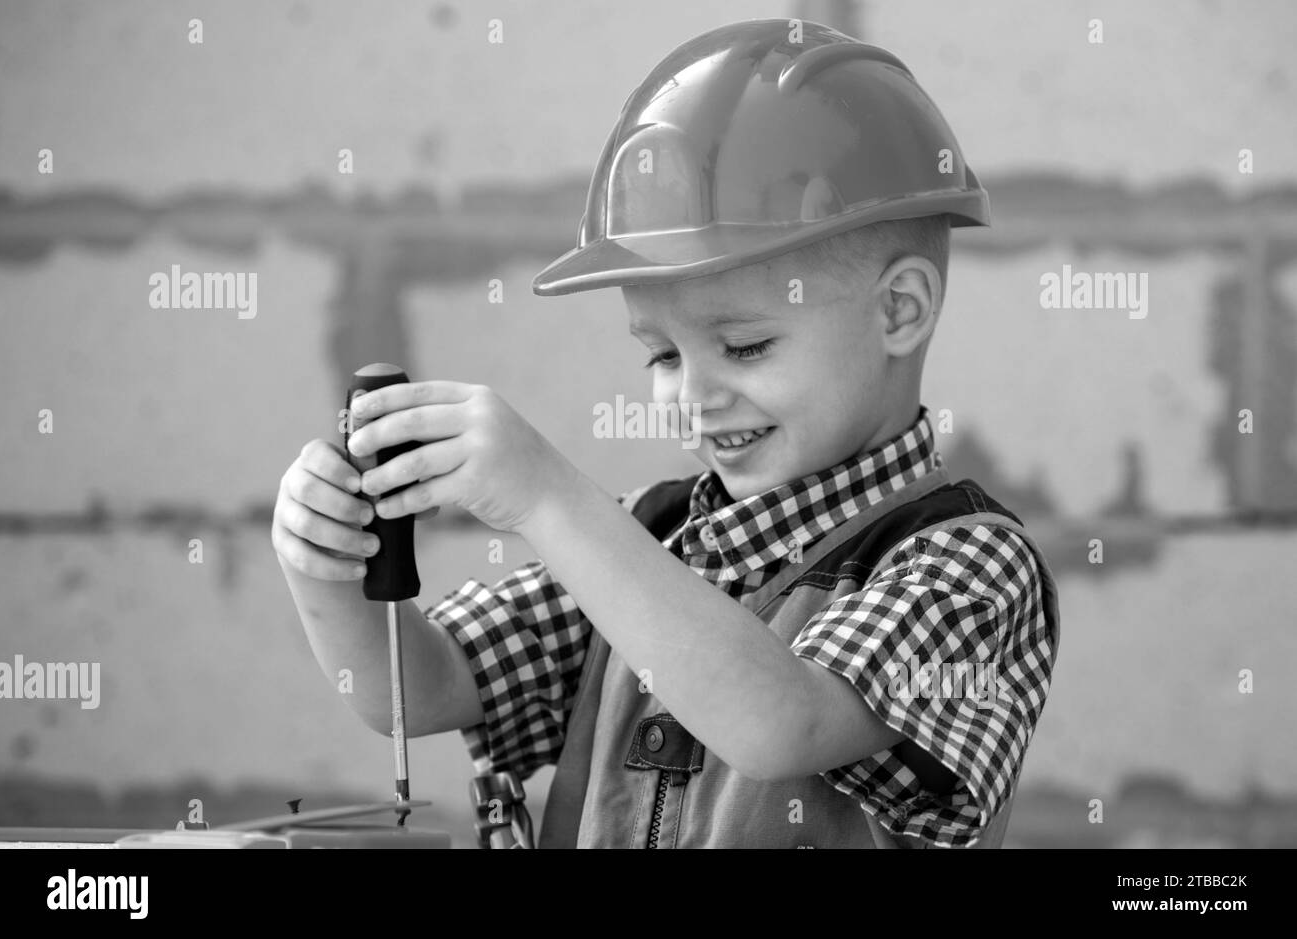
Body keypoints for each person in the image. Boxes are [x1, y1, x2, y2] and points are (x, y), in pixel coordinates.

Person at [273, 18, 1061, 848]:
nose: (693, 394)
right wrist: (323, 562)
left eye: (745, 345)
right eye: (659, 354)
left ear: (899, 308)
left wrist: (545, 495)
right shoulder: (646, 541)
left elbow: (778, 720)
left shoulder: (966, 568)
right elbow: (412, 690)